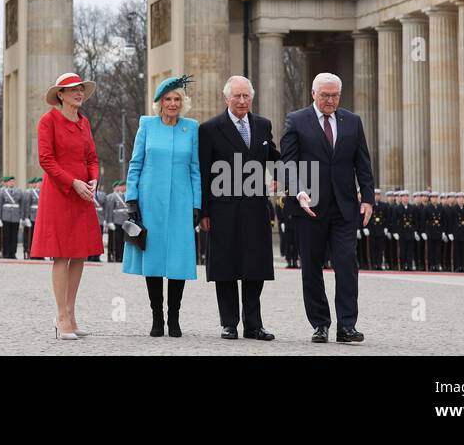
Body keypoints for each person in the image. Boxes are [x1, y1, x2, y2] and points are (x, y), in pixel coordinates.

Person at [281, 72, 376, 343]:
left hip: (344, 208)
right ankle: (320, 323)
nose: (330, 100)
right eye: (325, 95)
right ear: (313, 94)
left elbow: (363, 164)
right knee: (311, 267)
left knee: (347, 264)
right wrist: (298, 192)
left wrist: (367, 198)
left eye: (335, 95)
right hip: (309, 207)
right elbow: (288, 164)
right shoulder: (296, 121)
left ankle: (347, 325)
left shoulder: (353, 122)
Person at [198, 75, 276, 341]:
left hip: (255, 208)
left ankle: (253, 324)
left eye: (246, 96)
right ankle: (228, 323)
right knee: (226, 266)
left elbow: (275, 158)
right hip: (223, 208)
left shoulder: (264, 126)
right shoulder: (209, 129)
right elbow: (205, 175)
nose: (242, 101)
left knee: (255, 267)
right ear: (226, 98)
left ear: (251, 98)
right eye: (237, 96)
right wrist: (204, 212)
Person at [123, 74, 201, 338]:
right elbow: (135, 163)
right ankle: (157, 318)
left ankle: (174, 318)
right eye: (168, 99)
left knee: (178, 258)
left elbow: (195, 169)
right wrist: (131, 198)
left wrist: (197, 204)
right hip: (150, 200)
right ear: (159, 103)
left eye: (177, 99)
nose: (172, 103)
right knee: (154, 259)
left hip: (181, 201)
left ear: (183, 102)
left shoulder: (191, 128)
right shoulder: (147, 125)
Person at [31, 72, 103, 340]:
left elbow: (92, 157)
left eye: (80, 89)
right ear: (60, 94)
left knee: (80, 252)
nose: (78, 93)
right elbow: (46, 160)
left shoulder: (85, 123)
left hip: (83, 193)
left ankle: (71, 314)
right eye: (72, 89)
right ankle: (61, 315)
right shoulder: (48, 121)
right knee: (62, 254)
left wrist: (93, 179)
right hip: (61, 192)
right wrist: (73, 182)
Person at [0, 176, 24, 259]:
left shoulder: (19, 192)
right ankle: (6, 253)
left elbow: (21, 205)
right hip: (5, 216)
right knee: (6, 236)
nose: (12, 183)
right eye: (10, 182)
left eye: (13, 181)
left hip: (15, 216)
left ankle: (13, 253)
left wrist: (21, 217)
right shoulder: (2, 192)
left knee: (14, 236)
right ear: (7, 183)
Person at [103, 180, 128, 263]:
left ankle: (124, 257)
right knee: (118, 240)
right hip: (117, 220)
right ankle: (118, 257)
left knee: (125, 240)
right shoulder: (113, 196)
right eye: (122, 186)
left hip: (126, 221)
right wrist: (109, 221)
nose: (124, 187)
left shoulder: (127, 195)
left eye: (125, 186)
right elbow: (110, 210)